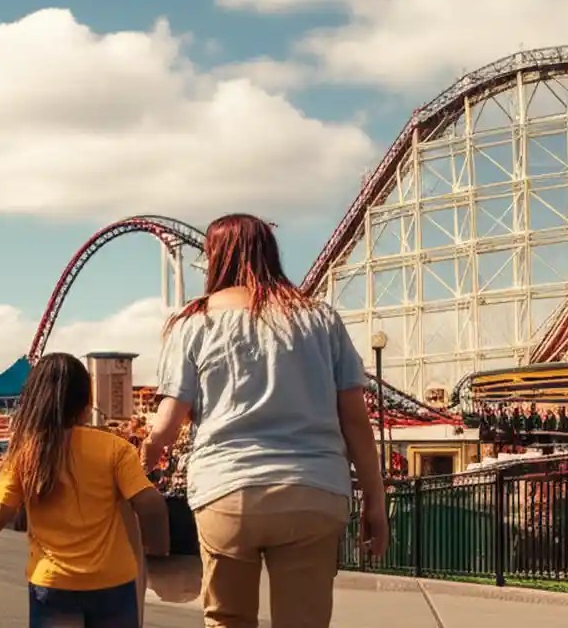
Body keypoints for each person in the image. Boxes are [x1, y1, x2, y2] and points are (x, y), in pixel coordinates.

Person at [140, 213, 388, 628]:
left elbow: (166, 427)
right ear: (271, 253)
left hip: (227, 489)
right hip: (315, 489)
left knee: (228, 617)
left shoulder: (194, 323)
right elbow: (357, 424)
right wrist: (376, 504)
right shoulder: (321, 319)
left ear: (215, 258)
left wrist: (145, 457)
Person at [0, 353, 168, 628]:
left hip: (52, 583)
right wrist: (157, 550)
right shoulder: (114, 448)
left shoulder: (26, 454)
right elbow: (150, 503)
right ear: (87, 402)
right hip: (113, 582)